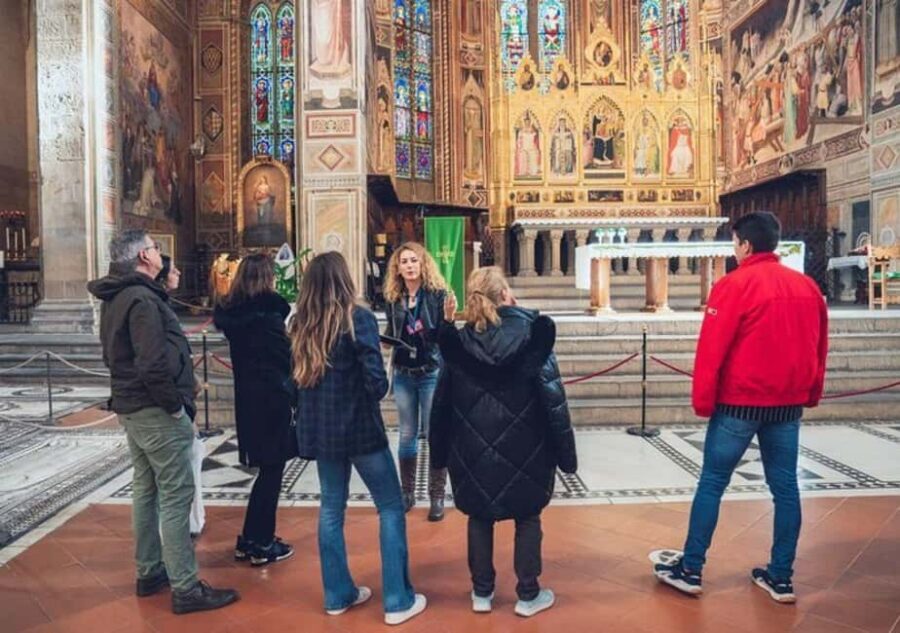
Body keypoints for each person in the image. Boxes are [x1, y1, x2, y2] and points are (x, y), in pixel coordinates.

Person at [652, 211, 828, 604]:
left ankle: (691, 568)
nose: (734, 251)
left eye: (735, 244)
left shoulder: (734, 285)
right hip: (787, 404)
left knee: (713, 483)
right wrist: (811, 392)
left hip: (739, 403)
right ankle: (781, 577)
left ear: (745, 244)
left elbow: (712, 349)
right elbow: (820, 346)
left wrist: (703, 400)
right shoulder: (806, 286)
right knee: (786, 488)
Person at [87, 229, 239, 615]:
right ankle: (186, 588)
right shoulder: (140, 299)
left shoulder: (120, 296)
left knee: (146, 490)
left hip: (133, 406)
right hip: (155, 411)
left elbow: (115, 355)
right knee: (175, 495)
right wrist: (175, 406)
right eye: (155, 248)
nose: (159, 254)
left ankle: (150, 570)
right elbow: (152, 363)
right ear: (142, 257)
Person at [429, 266, 577, 617]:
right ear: (507, 295)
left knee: (479, 517)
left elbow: (441, 404)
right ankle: (528, 594)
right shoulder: (533, 338)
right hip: (528, 449)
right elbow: (554, 402)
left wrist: (438, 452)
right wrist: (566, 456)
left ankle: (481, 593)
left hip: (471, 450)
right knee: (527, 516)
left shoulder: (460, 344)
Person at [291, 251, 427, 625]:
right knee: (389, 506)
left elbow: (299, 380)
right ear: (343, 279)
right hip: (359, 430)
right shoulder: (358, 317)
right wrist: (382, 361)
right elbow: (376, 385)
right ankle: (398, 600)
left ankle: (337, 594)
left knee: (332, 509)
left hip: (322, 430)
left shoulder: (300, 322)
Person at [214, 253, 297, 566]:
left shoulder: (237, 317)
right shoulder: (268, 318)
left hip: (248, 401)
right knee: (271, 472)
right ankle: (260, 544)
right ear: (267, 278)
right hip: (272, 400)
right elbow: (284, 361)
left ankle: (251, 538)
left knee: (267, 471)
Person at [382, 242, 450, 521]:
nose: (409, 265)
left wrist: (447, 318)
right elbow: (392, 329)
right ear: (397, 268)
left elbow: (445, 334)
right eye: (404, 261)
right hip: (403, 373)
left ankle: (436, 497)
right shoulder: (392, 297)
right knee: (407, 435)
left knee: (435, 435)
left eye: (414, 261)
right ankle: (407, 493)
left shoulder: (436, 295)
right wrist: (386, 341)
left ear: (423, 265)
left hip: (430, 370)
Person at [155, 256, 205, 539]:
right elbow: (157, 361)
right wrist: (176, 406)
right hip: (171, 402)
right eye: (173, 269)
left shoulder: (162, 304)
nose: (178, 272)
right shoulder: (154, 306)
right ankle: (179, 568)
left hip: (180, 395)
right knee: (175, 481)